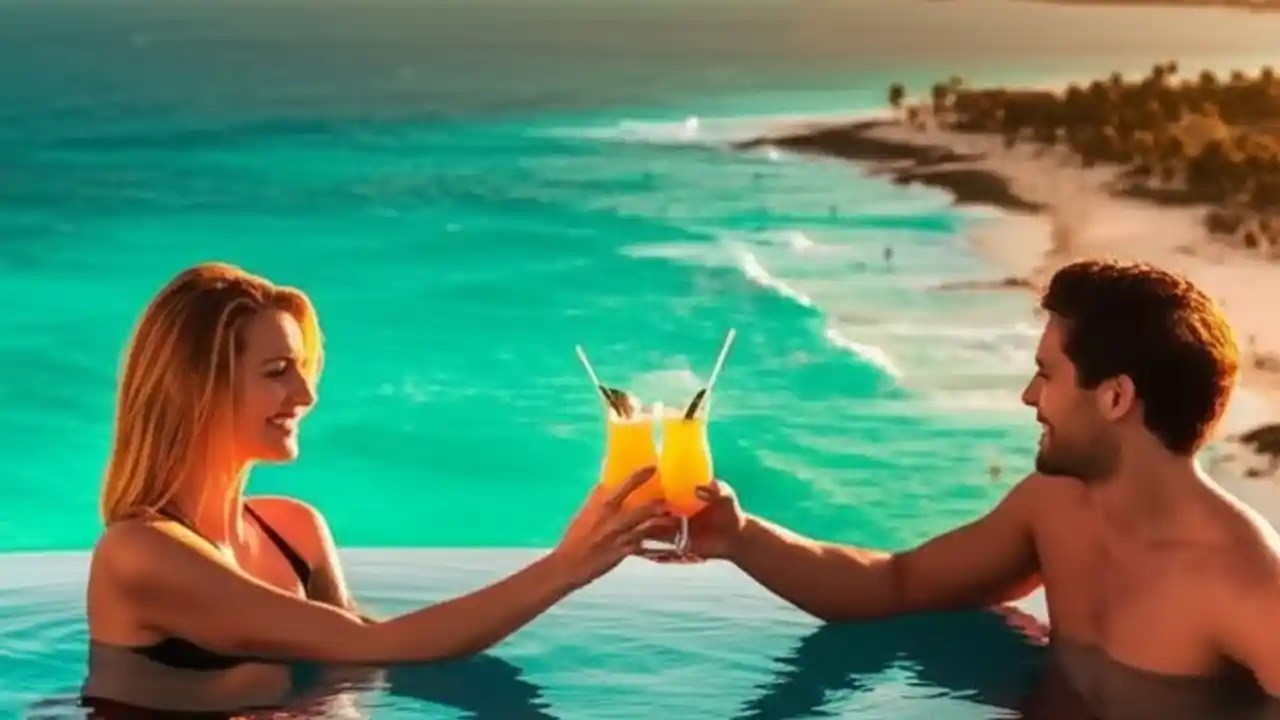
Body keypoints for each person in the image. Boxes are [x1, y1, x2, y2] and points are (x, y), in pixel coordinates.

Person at [661, 258, 1280, 696]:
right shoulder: (1053, 506)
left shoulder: (1245, 584)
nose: (1028, 396)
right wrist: (738, 536)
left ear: (1115, 398)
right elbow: (897, 584)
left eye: (1047, 374)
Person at [86, 262, 672, 668]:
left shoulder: (294, 531)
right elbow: (382, 647)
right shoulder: (139, 551)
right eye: (276, 372)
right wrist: (566, 566)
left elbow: (365, 662)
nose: (305, 395)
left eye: (302, 368)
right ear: (196, 388)